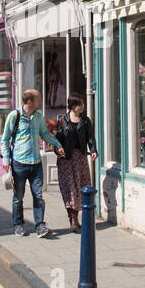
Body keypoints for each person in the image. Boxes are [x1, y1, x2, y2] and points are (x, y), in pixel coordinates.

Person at [0, 88, 65, 238]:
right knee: (19, 197)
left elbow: (44, 134)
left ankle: (40, 226)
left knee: (38, 195)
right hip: (19, 163)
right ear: (30, 101)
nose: (40, 101)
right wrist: (5, 160)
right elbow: (5, 141)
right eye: (38, 99)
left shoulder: (38, 117)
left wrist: (57, 145)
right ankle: (18, 225)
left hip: (36, 163)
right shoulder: (14, 116)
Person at [54, 94, 98, 232]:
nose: (83, 106)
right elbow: (57, 140)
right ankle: (72, 219)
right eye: (81, 104)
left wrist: (93, 150)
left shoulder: (85, 121)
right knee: (69, 189)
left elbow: (90, 137)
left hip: (80, 159)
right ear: (74, 106)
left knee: (81, 187)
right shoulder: (62, 121)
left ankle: (76, 219)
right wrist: (57, 149)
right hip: (66, 160)